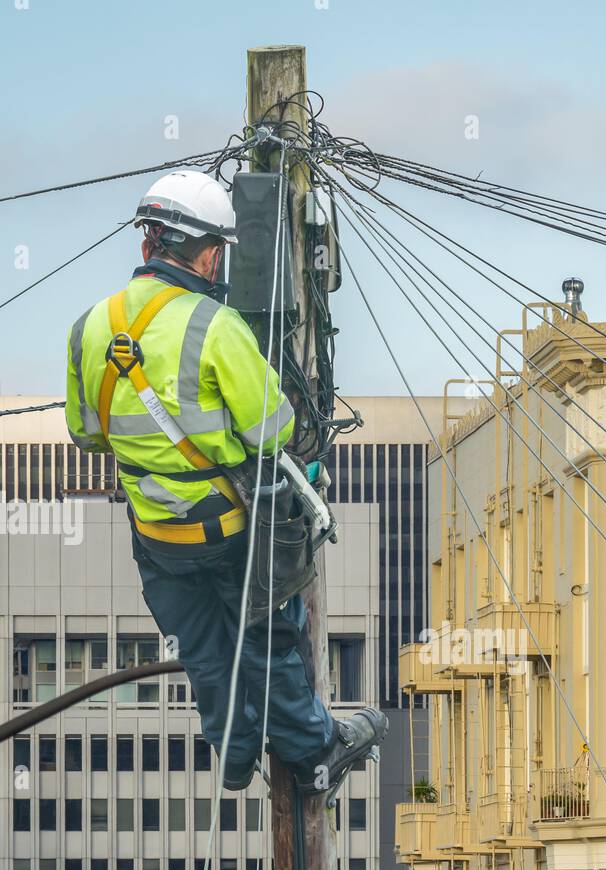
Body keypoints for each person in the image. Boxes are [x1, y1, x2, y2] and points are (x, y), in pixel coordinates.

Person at [65, 169, 386, 793]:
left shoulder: (89, 328)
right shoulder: (215, 327)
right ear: (207, 251)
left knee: (205, 650)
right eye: (219, 250)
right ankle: (317, 753)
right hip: (229, 529)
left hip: (156, 534)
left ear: (148, 245)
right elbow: (274, 431)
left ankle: (236, 754)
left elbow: (87, 433)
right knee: (269, 638)